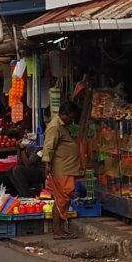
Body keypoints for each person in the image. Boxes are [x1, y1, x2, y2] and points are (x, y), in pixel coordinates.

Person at [42, 96, 85, 238]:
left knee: (63, 199)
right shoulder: (55, 126)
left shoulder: (63, 126)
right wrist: (47, 164)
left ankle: (60, 229)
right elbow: (48, 147)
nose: (72, 120)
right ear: (64, 114)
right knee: (61, 199)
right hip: (61, 169)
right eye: (71, 117)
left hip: (67, 168)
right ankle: (57, 230)